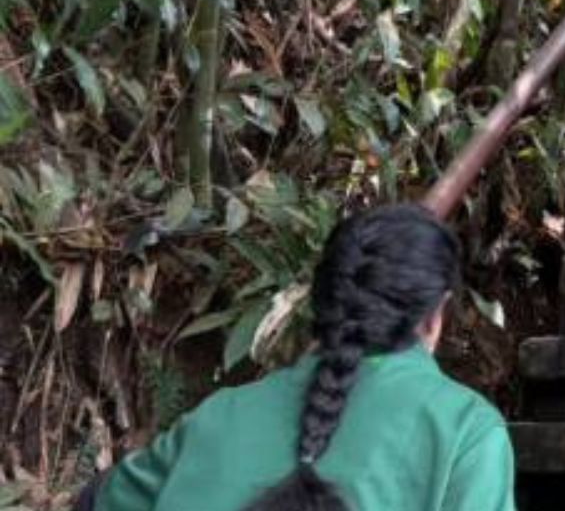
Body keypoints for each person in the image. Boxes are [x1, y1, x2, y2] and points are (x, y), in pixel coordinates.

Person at [89, 204, 512, 511]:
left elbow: (99, 501)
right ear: (436, 315)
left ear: (321, 302)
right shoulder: (466, 432)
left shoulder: (218, 416)